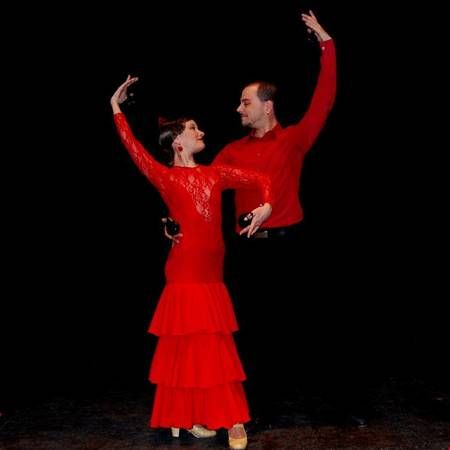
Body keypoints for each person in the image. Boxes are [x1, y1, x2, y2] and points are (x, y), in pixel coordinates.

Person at [164, 10, 371, 428]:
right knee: (248, 336)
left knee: (313, 331)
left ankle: (339, 408)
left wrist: (327, 45)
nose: (237, 107)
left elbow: (325, 98)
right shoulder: (230, 153)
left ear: (267, 106)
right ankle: (248, 412)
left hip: (292, 246)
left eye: (245, 101)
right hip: (247, 254)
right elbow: (192, 188)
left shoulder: (293, 139)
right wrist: (171, 222)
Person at [111, 75, 273, 449]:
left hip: (211, 274)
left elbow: (261, 178)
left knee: (213, 346)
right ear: (177, 142)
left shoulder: (215, 174)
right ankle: (207, 418)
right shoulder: (165, 177)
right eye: (193, 128)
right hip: (183, 272)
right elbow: (132, 147)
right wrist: (116, 109)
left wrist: (264, 205)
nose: (201, 131)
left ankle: (223, 417)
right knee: (188, 348)